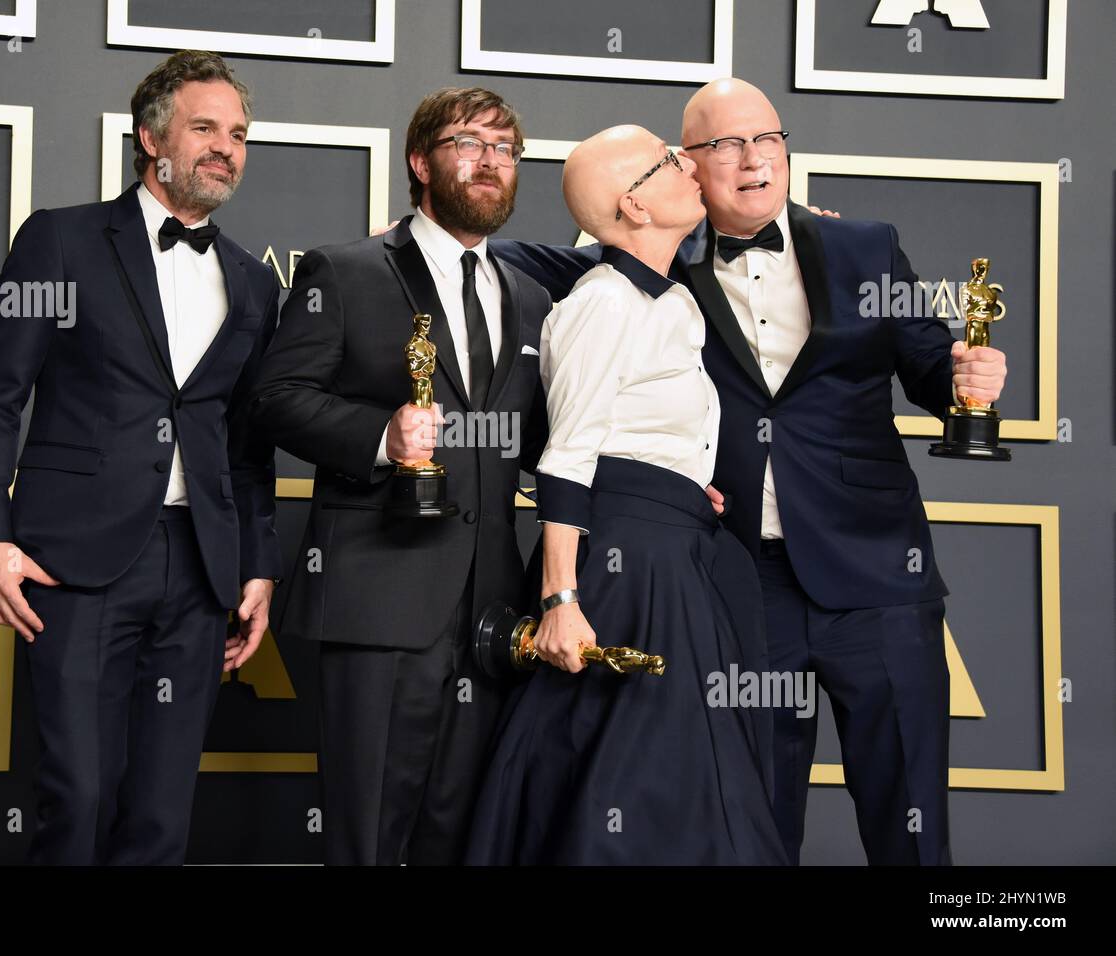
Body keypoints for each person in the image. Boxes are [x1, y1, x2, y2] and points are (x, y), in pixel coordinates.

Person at [491, 78, 1008, 865]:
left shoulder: (865, 245)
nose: (753, 158)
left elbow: (930, 364)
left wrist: (968, 381)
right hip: (738, 584)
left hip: (876, 575)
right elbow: (536, 254)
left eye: (767, 138)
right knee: (752, 824)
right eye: (725, 145)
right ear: (689, 167)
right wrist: (429, 236)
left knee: (912, 822)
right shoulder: (657, 260)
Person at [0, 51, 281, 865]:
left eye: (237, 134)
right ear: (150, 137)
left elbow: (246, 440)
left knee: (163, 815)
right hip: (76, 561)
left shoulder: (253, 282)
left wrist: (257, 565)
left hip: (200, 569)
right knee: (79, 796)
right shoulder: (59, 238)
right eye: (204, 128)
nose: (225, 148)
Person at [466, 126, 786, 865]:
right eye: (669, 160)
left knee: (691, 788)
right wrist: (559, 602)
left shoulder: (671, 302)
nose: (690, 161)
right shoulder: (602, 302)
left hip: (678, 556)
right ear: (633, 205)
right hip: (623, 571)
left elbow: (634, 434)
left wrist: (677, 487)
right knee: (634, 785)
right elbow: (569, 455)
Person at [250, 88, 552, 866]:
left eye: (506, 149)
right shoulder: (345, 272)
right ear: (420, 161)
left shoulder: (532, 297)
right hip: (380, 600)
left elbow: (551, 440)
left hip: (492, 614)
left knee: (461, 836)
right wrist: (379, 434)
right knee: (369, 833)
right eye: (468, 143)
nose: (491, 161)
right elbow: (276, 401)